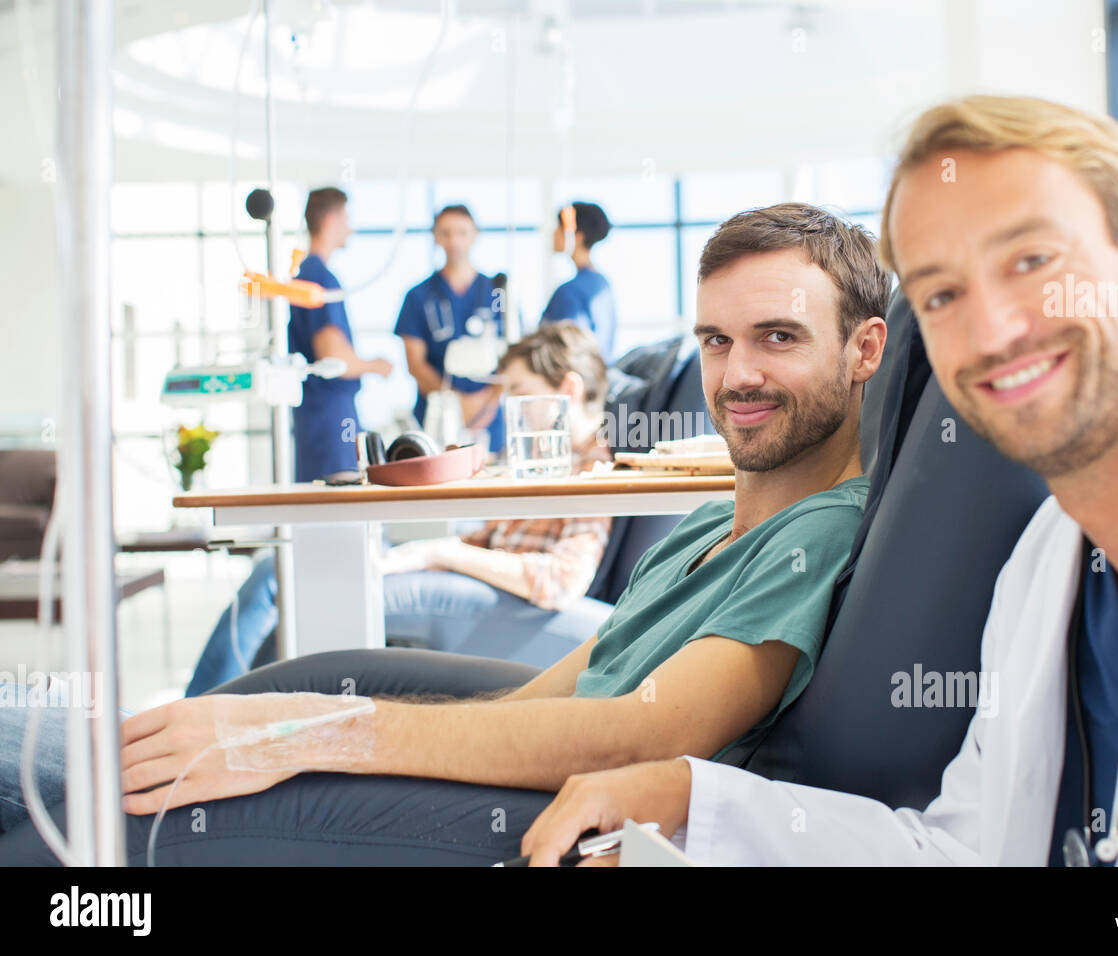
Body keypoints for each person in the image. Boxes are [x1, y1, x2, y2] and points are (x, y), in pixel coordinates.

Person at [519, 95, 1118, 868]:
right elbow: (960, 848)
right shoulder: (1046, 567)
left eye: (1032, 262)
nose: (991, 331)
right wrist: (689, 806)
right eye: (943, 294)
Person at [0, 202, 889, 865]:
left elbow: (642, 739)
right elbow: (548, 700)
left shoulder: (819, 536)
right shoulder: (707, 526)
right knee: (70, 763)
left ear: (866, 349)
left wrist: (311, 736)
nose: (737, 374)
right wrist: (297, 723)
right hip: (521, 771)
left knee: (77, 805)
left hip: (554, 821)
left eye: (779, 337)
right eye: (717, 341)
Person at [184, 323, 618, 696]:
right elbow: (488, 542)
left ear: (568, 389)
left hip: (512, 607)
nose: (509, 406)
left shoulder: (595, 469)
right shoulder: (553, 462)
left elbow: (561, 580)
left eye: (520, 391)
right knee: (286, 568)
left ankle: (205, 711)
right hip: (476, 586)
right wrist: (425, 554)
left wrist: (441, 553)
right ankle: (215, 710)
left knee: (300, 583)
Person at [287, 187, 393, 482]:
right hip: (330, 418)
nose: (351, 228)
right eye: (347, 219)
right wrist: (375, 365)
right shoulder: (319, 278)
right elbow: (333, 358)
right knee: (337, 497)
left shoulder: (306, 274)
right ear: (331, 221)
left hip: (318, 416)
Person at [394, 204, 505, 453]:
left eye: (462, 233)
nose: (454, 241)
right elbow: (415, 364)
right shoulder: (418, 296)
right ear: (436, 237)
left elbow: (512, 359)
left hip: (489, 419)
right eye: (446, 233)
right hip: (437, 418)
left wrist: (485, 405)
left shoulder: (498, 293)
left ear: (475, 235)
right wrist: (455, 403)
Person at [541, 201, 618, 360]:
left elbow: (561, 353)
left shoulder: (570, 292)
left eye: (559, 227)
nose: (554, 233)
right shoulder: (602, 285)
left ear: (577, 236)